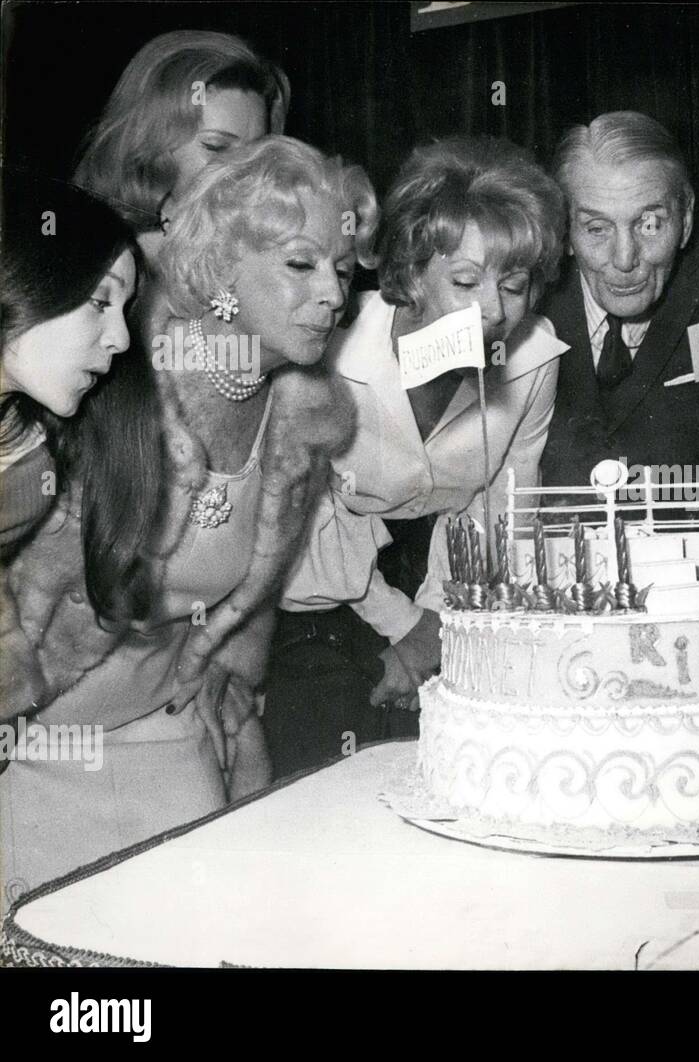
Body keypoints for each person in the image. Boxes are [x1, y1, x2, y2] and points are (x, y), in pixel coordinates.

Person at [0, 136, 375, 909]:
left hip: (167, 739)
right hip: (31, 755)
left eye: (343, 269)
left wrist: (222, 686)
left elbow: (245, 611)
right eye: (301, 264)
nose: (335, 295)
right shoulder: (109, 387)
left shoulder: (299, 417)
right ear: (222, 270)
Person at [268, 136, 568, 778]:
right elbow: (314, 540)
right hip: (318, 605)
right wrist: (404, 633)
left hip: (457, 604)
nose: (492, 312)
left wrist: (434, 629)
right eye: (465, 282)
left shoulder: (535, 358)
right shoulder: (333, 354)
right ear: (408, 275)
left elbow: (503, 512)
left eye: (513, 287)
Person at [538, 111, 699, 507]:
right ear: (563, 232)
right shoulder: (521, 303)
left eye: (649, 224)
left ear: (685, 220)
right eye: (597, 228)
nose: (625, 258)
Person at [0, 172, 137, 556]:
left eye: (124, 310)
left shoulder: (25, 476)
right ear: (24, 277)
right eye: (99, 301)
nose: (121, 339)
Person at [73, 29, 289, 263]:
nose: (242, 169)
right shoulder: (90, 253)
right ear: (151, 141)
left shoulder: (271, 250)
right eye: (215, 146)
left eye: (255, 152)